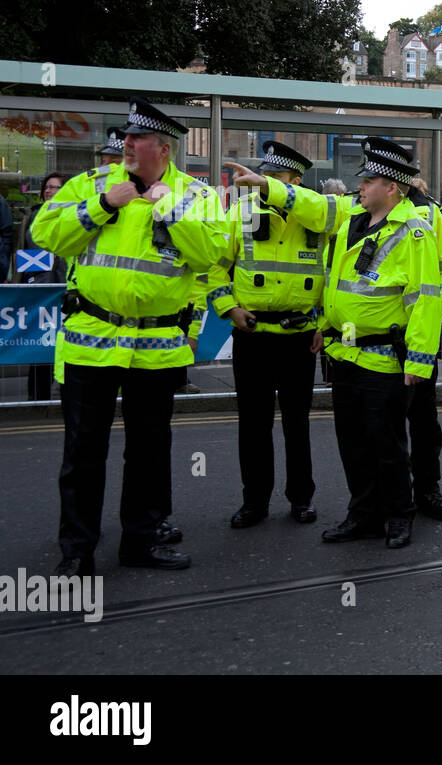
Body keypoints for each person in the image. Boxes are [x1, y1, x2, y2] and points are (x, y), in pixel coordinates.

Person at [33, 97, 228, 575]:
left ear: (162, 148)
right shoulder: (93, 184)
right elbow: (46, 233)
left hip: (156, 347)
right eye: (125, 136)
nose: (126, 144)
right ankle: (76, 551)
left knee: (149, 450)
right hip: (91, 340)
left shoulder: (195, 195)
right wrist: (102, 205)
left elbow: (214, 254)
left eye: (136, 139)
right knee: (82, 451)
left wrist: (172, 212)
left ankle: (142, 540)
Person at [317, 138, 442, 550]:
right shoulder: (350, 225)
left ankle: (399, 514)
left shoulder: (413, 231)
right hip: (345, 353)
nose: (361, 187)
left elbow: (426, 298)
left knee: (387, 444)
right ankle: (362, 514)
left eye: (369, 180)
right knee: (352, 443)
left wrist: (419, 358)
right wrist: (324, 326)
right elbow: (335, 283)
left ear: (392, 187)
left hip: (384, 359)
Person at [207, 143, 332, 530]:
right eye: (263, 176)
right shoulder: (241, 213)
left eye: (274, 177)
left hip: (300, 337)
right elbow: (215, 269)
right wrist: (229, 308)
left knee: (298, 423)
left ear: (296, 181)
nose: (262, 183)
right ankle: (254, 501)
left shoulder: (317, 213)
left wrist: (324, 323)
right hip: (254, 335)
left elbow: (334, 275)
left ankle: (301, 498)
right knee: (254, 424)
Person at [404, 170, 442, 523]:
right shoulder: (358, 213)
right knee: (381, 426)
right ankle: (387, 498)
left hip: (421, 336)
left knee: (424, 421)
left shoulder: (427, 212)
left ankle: (428, 489)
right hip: (372, 340)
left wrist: (433, 307)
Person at [19, 172, 70, 400]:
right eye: (47, 187)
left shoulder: (71, 214)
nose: (49, 191)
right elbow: (23, 253)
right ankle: (38, 398)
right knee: (39, 344)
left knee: (63, 344)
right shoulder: (33, 215)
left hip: (64, 290)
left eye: (55, 187)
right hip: (37, 289)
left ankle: (66, 391)